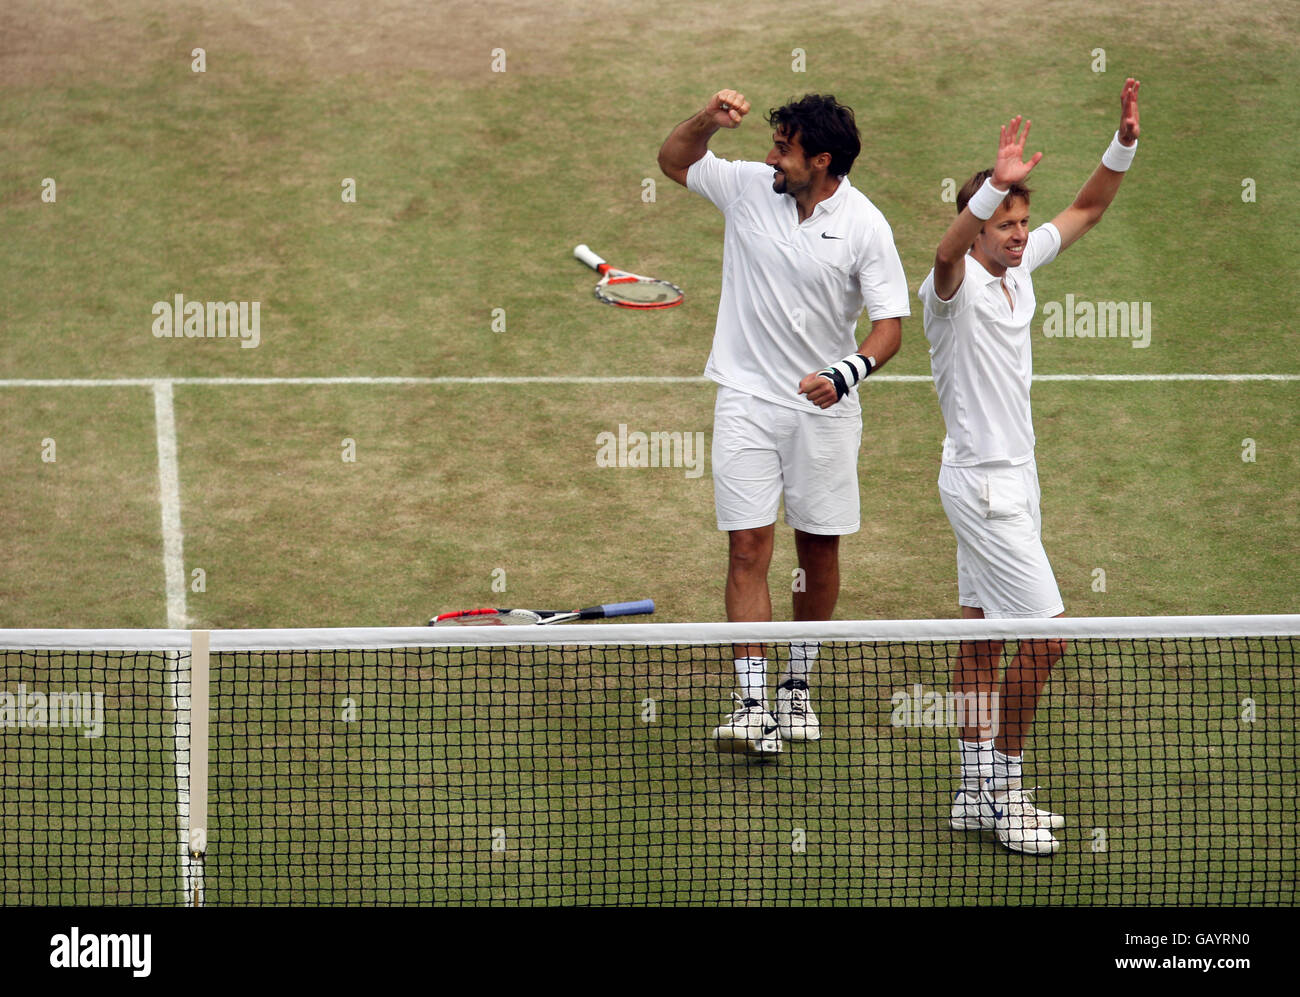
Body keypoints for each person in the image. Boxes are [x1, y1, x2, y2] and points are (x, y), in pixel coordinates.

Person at [918, 79, 1141, 853]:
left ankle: (970, 792)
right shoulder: (949, 288)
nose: (1017, 233)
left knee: (982, 637)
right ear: (977, 225)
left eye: (1018, 220)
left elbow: (1088, 209)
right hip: (984, 488)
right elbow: (947, 250)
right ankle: (1004, 791)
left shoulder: (1018, 269)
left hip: (1018, 478)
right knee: (1047, 639)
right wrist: (987, 195)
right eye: (1003, 220)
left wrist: (1124, 143)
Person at [658, 90, 910, 756]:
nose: (771, 157)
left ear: (821, 161)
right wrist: (707, 120)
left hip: (823, 410)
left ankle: (797, 685)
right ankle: (751, 702)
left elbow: (890, 329)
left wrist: (845, 374)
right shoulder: (748, 187)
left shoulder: (865, 226)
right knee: (747, 547)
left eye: (784, 149)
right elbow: (674, 159)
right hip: (745, 398)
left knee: (818, 551)